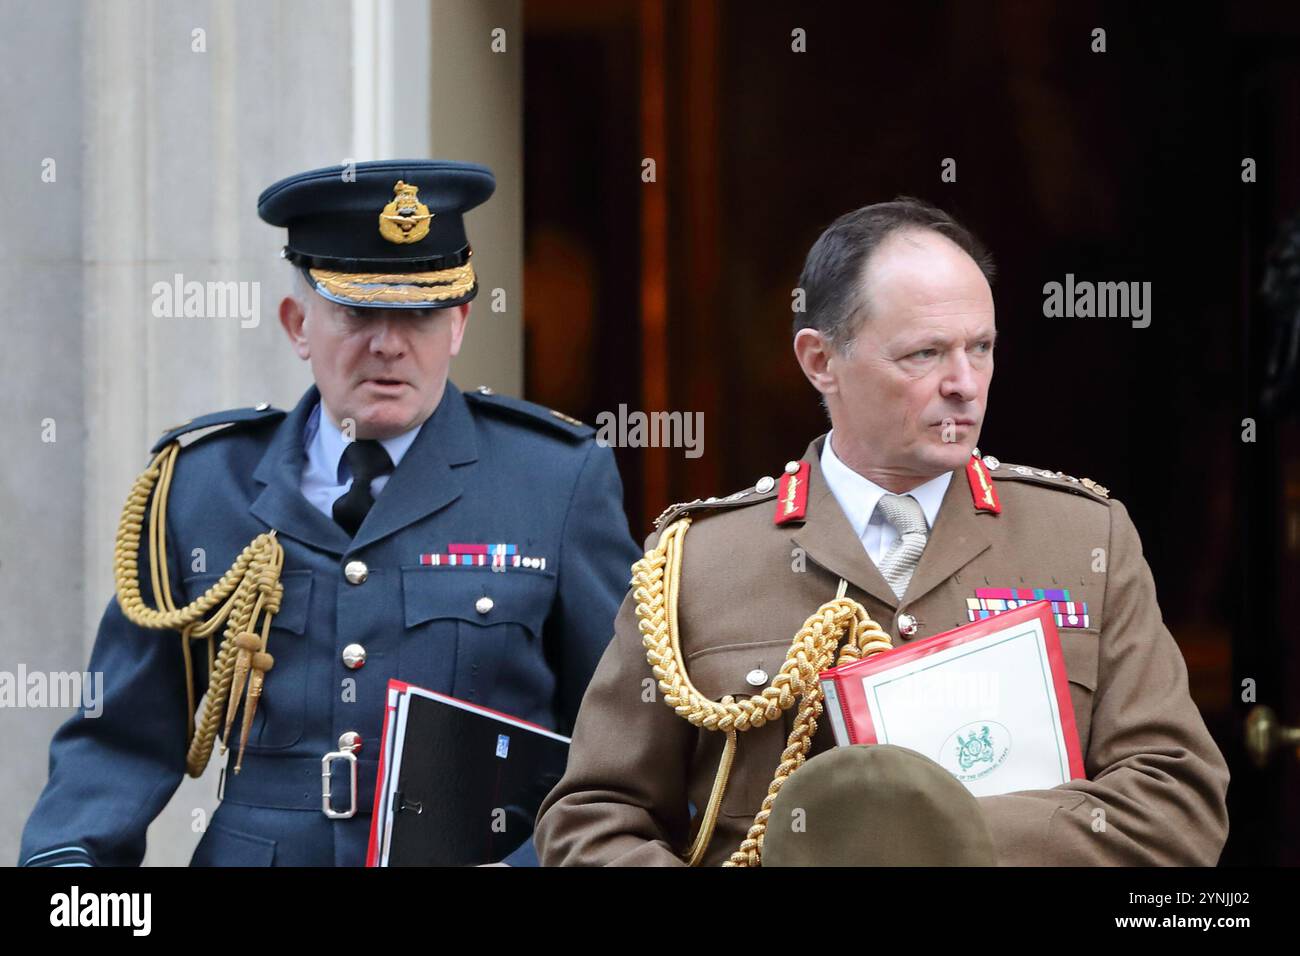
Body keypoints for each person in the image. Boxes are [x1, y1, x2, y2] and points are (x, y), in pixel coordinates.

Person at [534, 197, 1231, 866]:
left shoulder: (1084, 540)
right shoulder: (699, 563)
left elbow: (1179, 801)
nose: (965, 382)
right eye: (924, 354)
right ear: (819, 360)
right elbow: (593, 818)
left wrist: (930, 840)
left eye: (981, 347)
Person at [20, 159, 640, 867]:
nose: (388, 343)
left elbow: (628, 742)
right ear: (298, 324)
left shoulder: (553, 480)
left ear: (461, 322)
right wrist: (69, 873)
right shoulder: (200, 485)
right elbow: (121, 737)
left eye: (421, 312)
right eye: (358, 310)